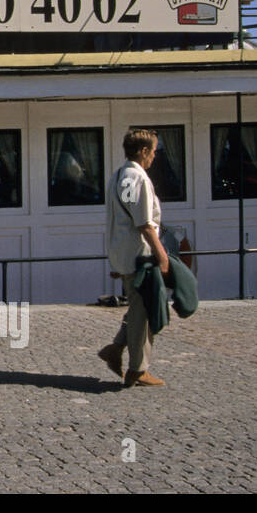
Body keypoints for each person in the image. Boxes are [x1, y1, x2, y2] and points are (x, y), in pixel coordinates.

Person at [98, 128, 171, 387]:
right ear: (143, 151)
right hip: (140, 254)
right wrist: (162, 255)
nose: (154, 157)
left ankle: (116, 349)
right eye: (152, 152)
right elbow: (143, 223)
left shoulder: (118, 175)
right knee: (144, 311)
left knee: (139, 307)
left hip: (124, 252)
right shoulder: (138, 178)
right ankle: (137, 369)